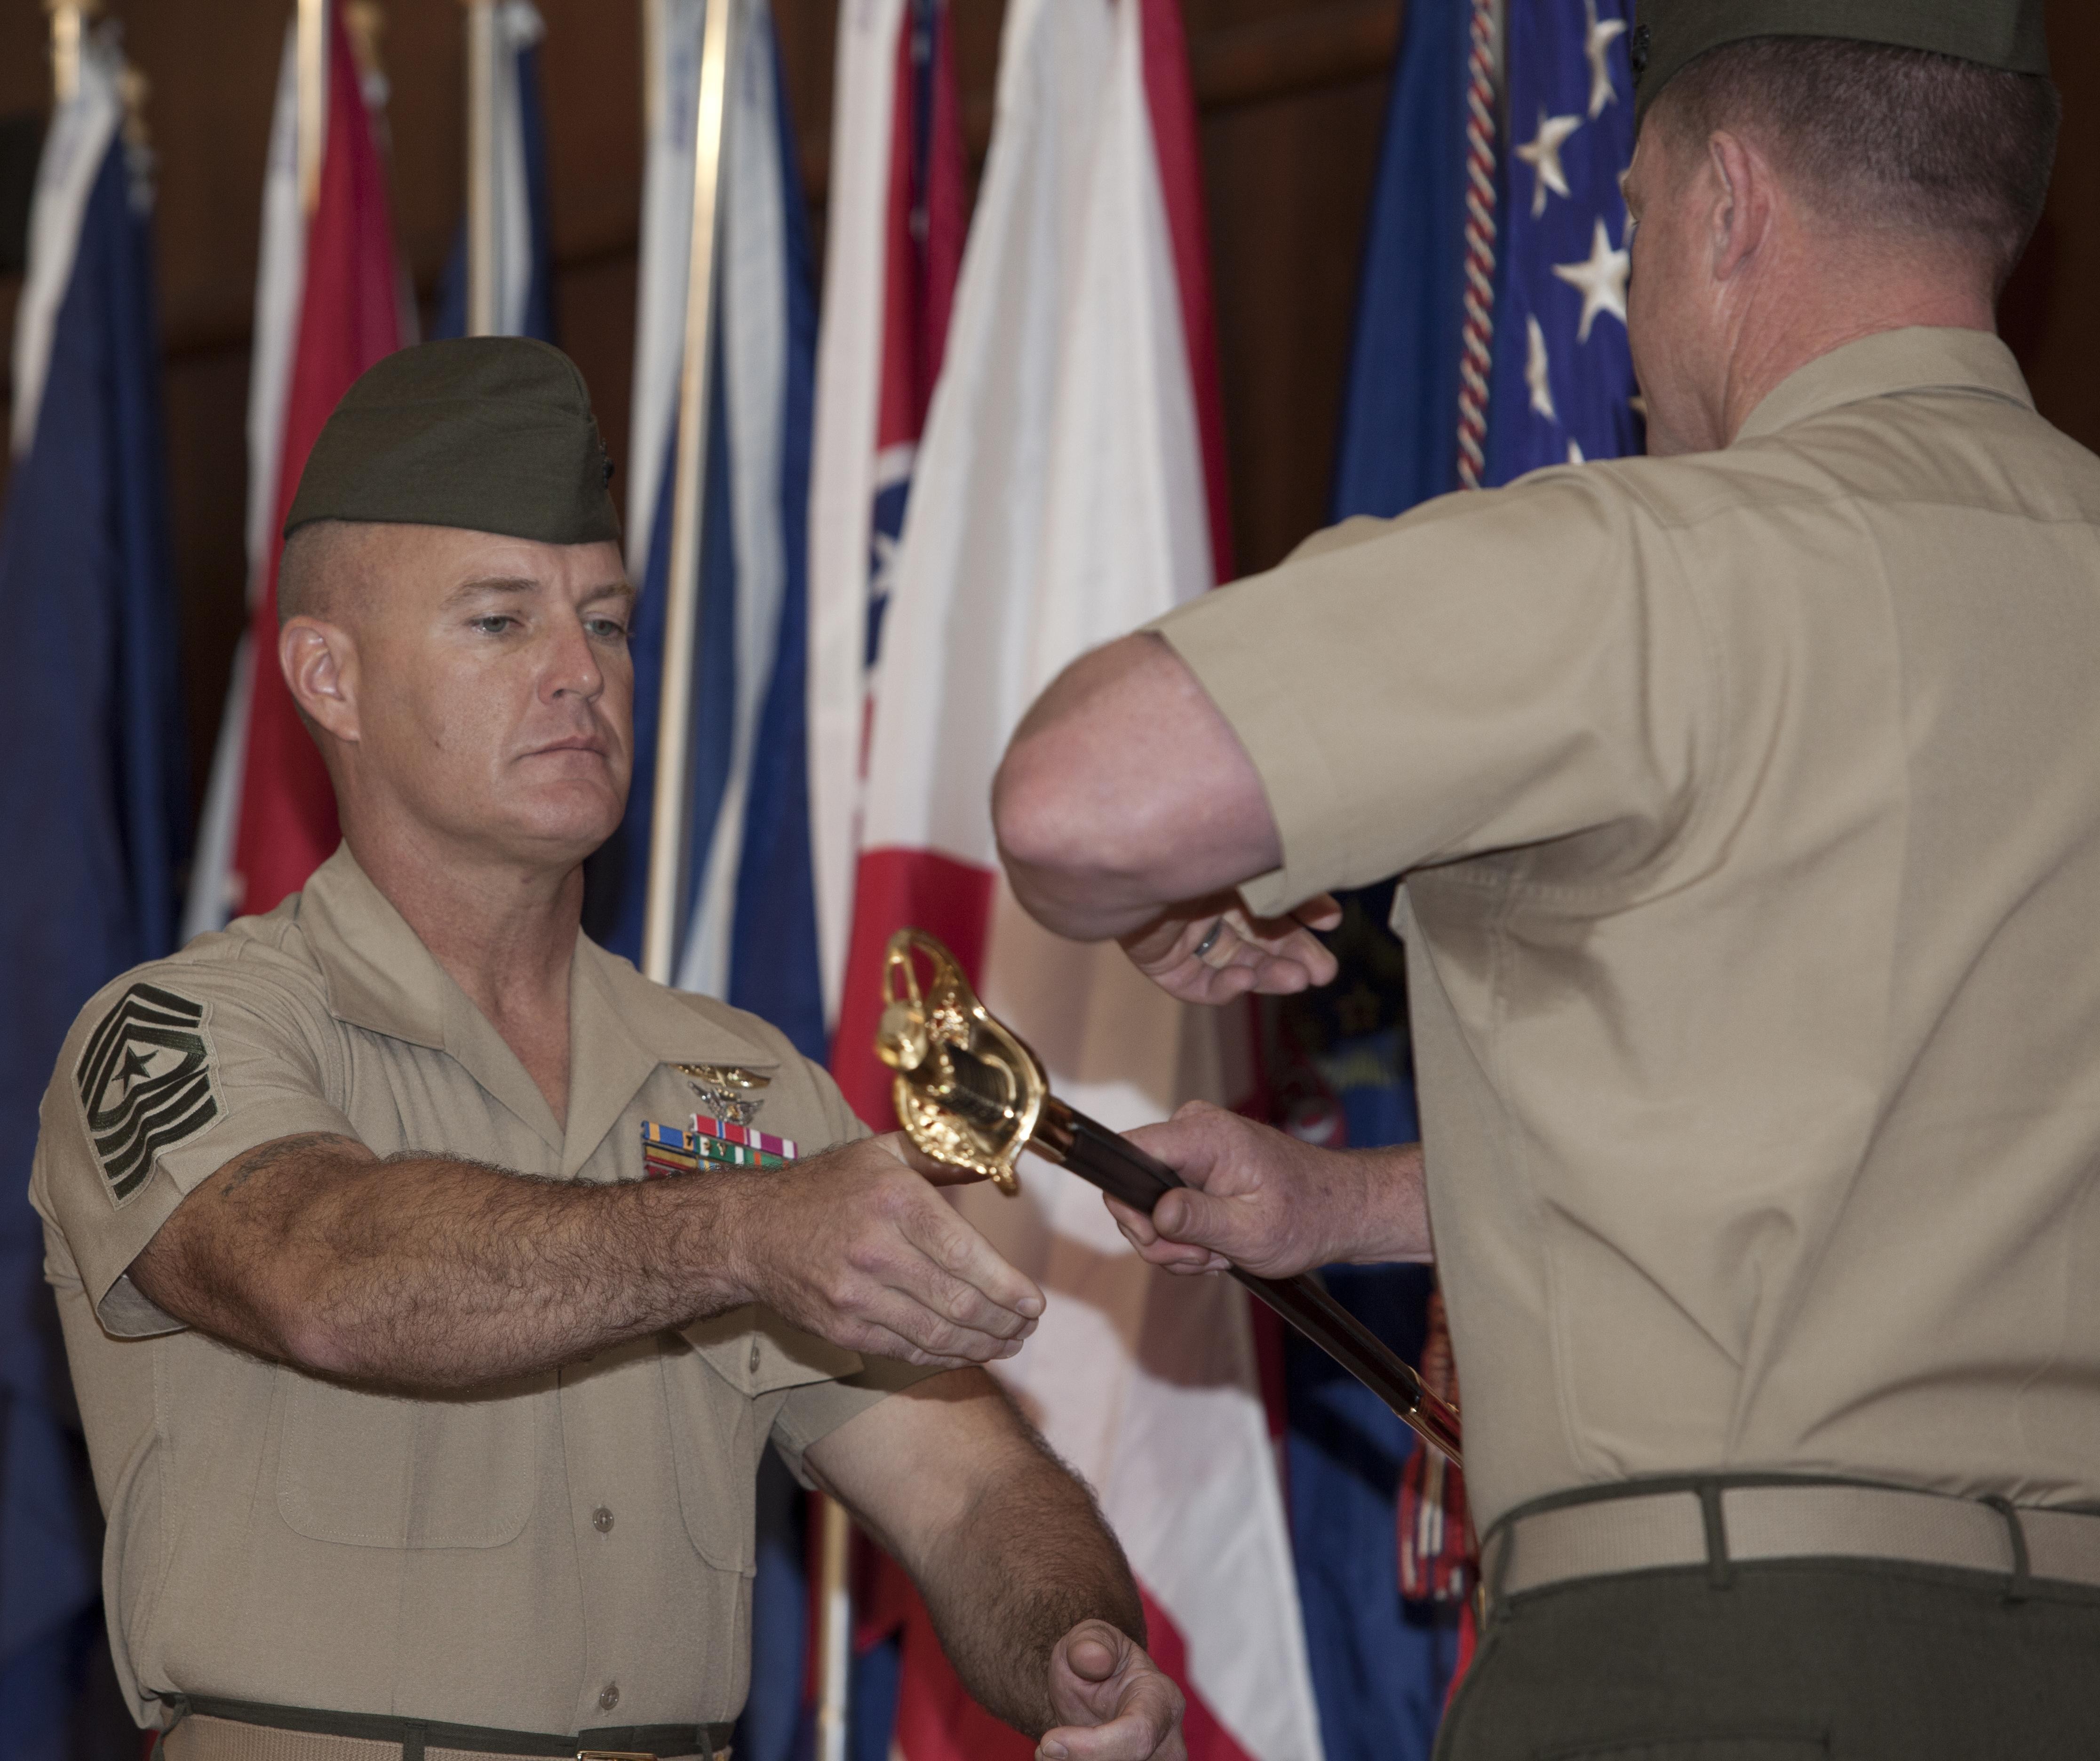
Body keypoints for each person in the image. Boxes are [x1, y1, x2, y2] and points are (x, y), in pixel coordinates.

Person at [992, 2, 2100, 1755]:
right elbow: (1887, 1129)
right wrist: (1346, 1210)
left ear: (1729, 205)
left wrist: (1155, 888)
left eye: (1638, 216)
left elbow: (1075, 798)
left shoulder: (1655, 565)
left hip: (1715, 1671)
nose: (1641, 285)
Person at [31, 338, 1183, 1761]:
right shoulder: (182, 1029)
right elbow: (326, 1274)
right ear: (327, 675)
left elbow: (960, 1481)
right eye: (502, 623)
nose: (582, 674)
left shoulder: (744, 1081)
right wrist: (742, 1235)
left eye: (612, 624)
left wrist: (1077, 1646)